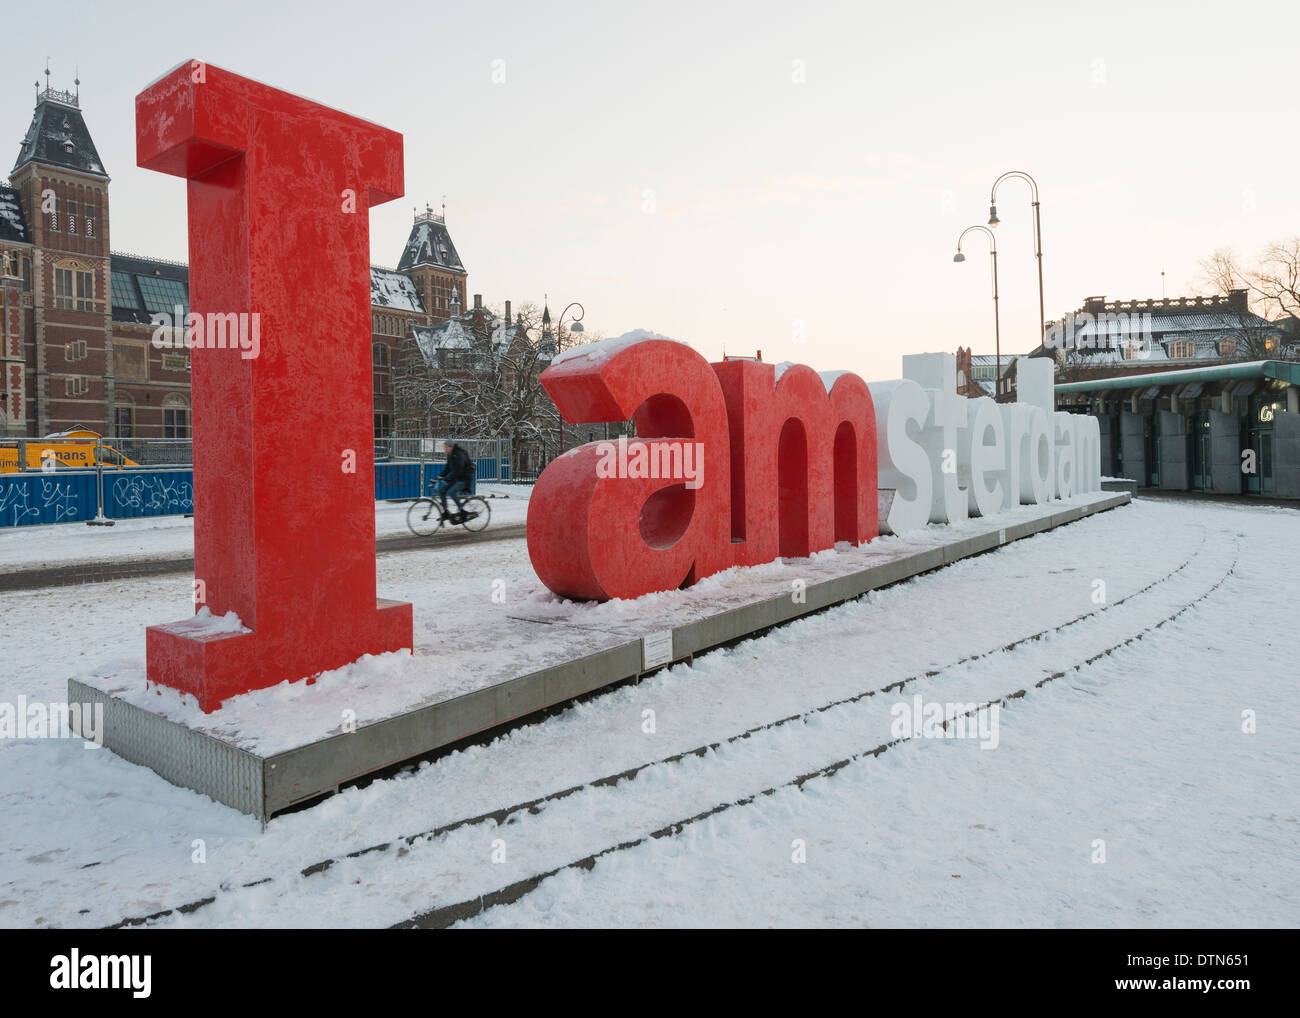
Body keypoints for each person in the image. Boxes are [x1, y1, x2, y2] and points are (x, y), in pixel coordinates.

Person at [435, 441, 473, 522]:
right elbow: (447, 468)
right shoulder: (450, 455)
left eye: (446, 447)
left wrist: (449, 478)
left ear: (451, 447)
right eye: (444, 447)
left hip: (464, 479)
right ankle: (446, 512)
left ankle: (463, 512)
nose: (444, 449)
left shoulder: (459, 454)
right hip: (456, 478)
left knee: (451, 492)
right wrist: (439, 477)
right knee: (442, 491)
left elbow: (459, 469)